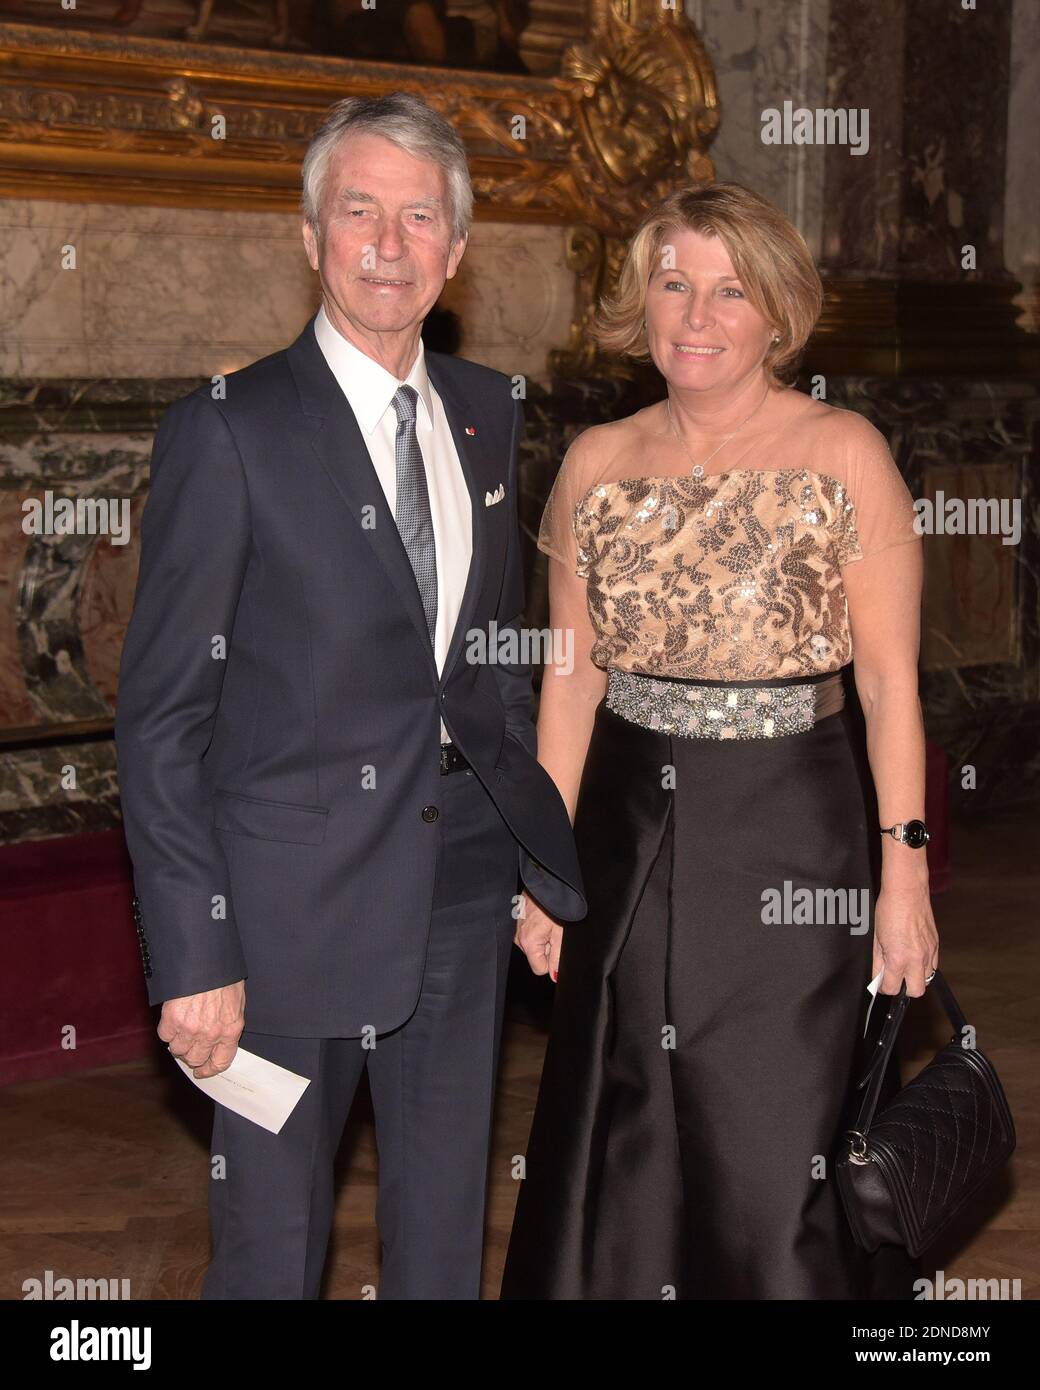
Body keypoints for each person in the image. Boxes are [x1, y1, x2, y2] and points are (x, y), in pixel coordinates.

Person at [115, 91, 585, 1301]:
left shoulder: (487, 415)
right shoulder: (230, 431)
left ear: (457, 250)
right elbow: (162, 720)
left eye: (419, 215)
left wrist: (536, 860)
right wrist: (192, 948)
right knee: (271, 1255)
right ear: (311, 235)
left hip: (461, 889)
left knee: (439, 1247)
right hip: (280, 916)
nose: (388, 242)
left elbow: (486, 664)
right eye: (358, 210)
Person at [501, 182, 938, 1300]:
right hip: (625, 836)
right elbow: (568, 681)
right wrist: (542, 875)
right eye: (672, 283)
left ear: (775, 315)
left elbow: (887, 685)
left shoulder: (843, 454)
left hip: (792, 840)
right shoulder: (595, 462)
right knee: (626, 1129)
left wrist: (904, 876)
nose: (694, 315)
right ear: (640, 304)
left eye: (727, 290)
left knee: (766, 1139)